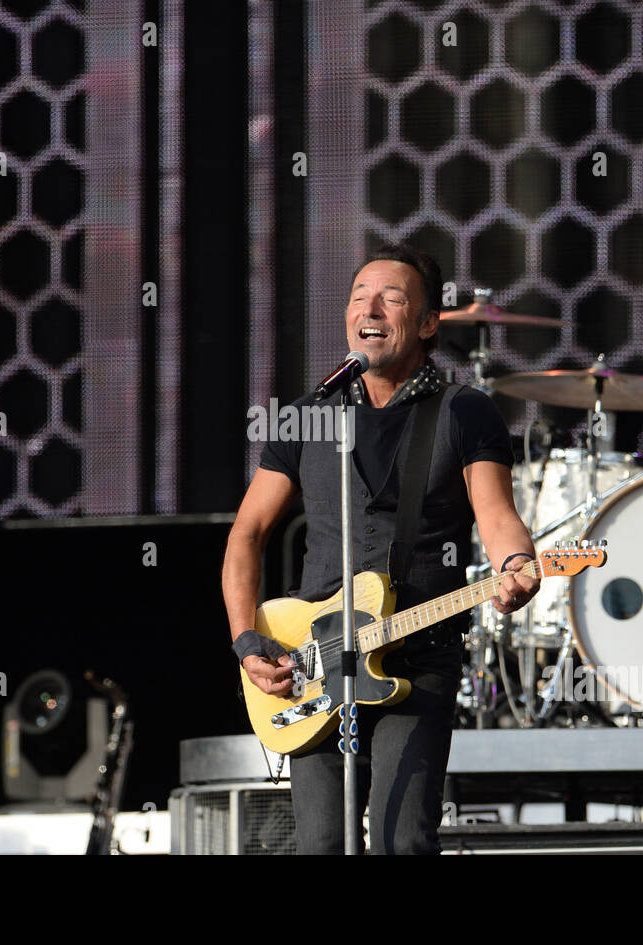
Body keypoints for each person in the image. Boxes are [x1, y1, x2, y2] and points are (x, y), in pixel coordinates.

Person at [221, 243, 539, 854]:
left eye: (391, 298)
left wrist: (516, 566)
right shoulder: (309, 415)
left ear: (425, 323)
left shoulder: (465, 411)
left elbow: (497, 516)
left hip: (418, 659)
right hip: (313, 660)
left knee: (402, 841)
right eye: (359, 296)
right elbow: (246, 535)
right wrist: (244, 640)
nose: (371, 307)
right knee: (320, 844)